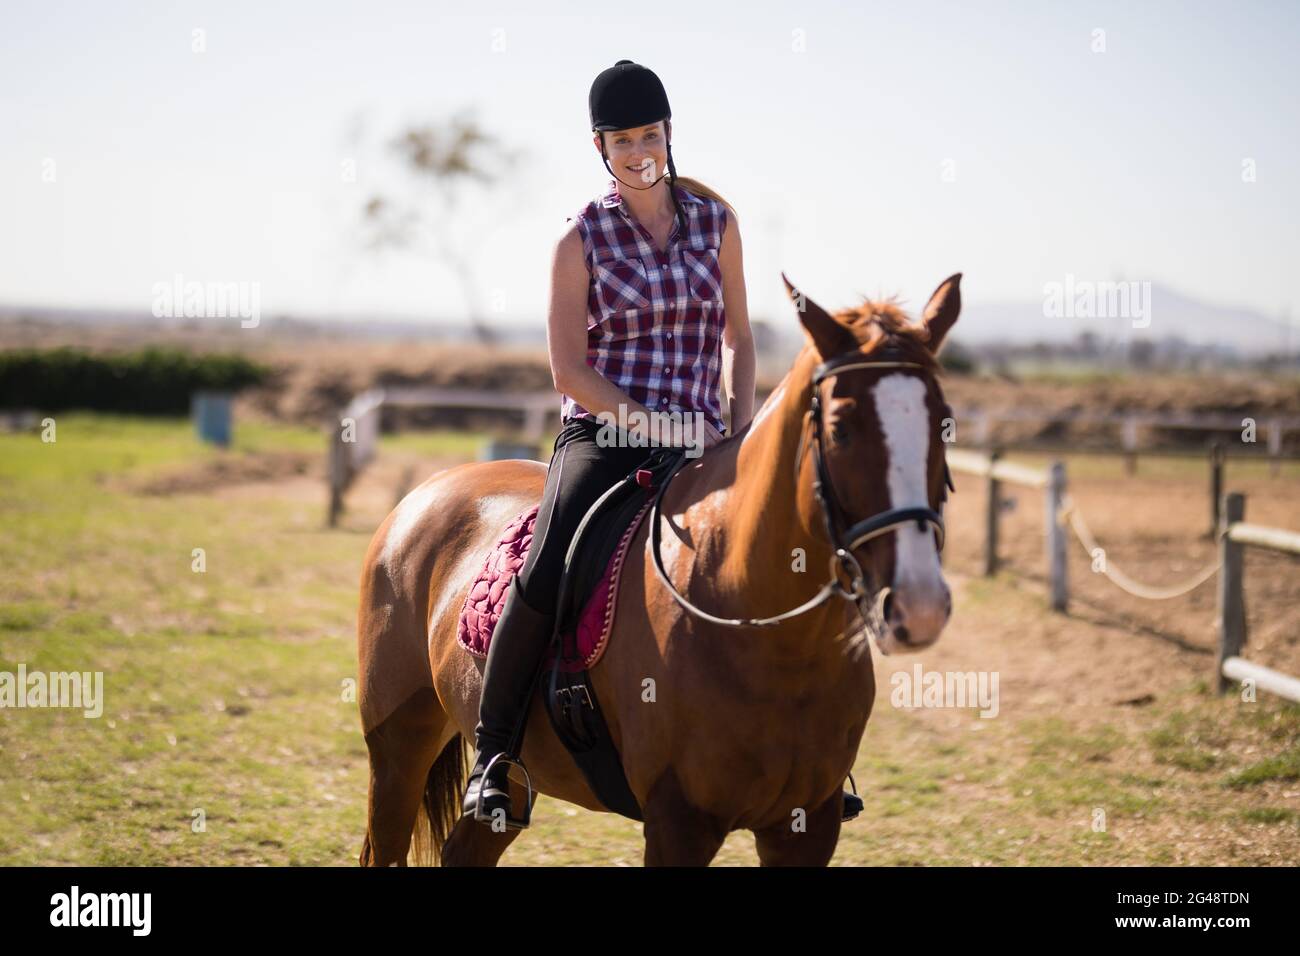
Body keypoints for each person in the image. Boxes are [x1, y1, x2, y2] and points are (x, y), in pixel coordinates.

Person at [464, 59, 860, 828]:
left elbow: (740, 336)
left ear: (669, 134)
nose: (640, 149)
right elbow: (568, 368)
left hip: (705, 437)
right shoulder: (579, 239)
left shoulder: (718, 224)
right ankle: (494, 753)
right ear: (600, 147)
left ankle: (820, 760)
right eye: (623, 139)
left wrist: (738, 426)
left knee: (787, 551)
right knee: (548, 562)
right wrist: (649, 423)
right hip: (604, 437)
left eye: (651, 133)